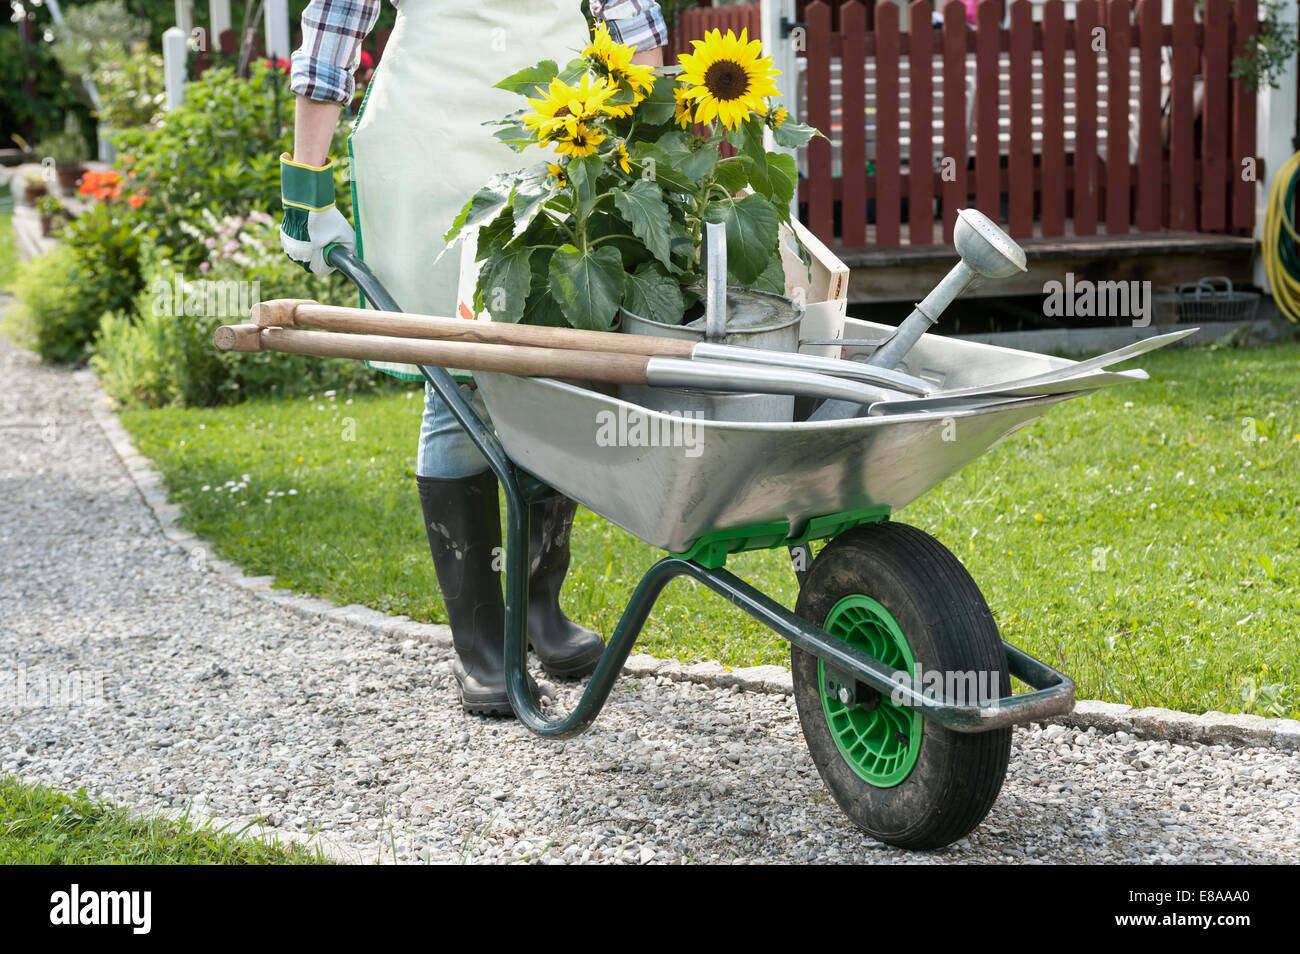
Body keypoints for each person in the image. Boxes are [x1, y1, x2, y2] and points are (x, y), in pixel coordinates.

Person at [281, 1, 667, 715]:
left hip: (559, 136)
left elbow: (637, 23)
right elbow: (337, 21)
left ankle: (538, 609)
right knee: (457, 384)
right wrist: (305, 184)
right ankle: (483, 642)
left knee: (553, 376)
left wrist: (634, 150)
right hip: (435, 149)